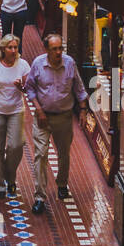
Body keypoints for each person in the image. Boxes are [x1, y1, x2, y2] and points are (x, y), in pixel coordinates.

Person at [25, 32, 89, 212]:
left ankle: (62, 184)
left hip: (64, 116)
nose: (59, 52)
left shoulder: (69, 63)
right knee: (40, 154)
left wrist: (83, 111)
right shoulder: (38, 64)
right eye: (54, 49)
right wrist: (38, 109)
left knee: (63, 153)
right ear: (46, 50)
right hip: (42, 116)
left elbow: (79, 89)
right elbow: (29, 88)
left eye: (61, 48)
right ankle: (39, 196)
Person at [0, 35, 31, 198]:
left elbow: (29, 89)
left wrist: (21, 87)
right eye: (10, 47)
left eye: (15, 47)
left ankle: (10, 178)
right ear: (3, 49)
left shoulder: (23, 65)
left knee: (16, 146)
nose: (13, 50)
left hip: (16, 110)